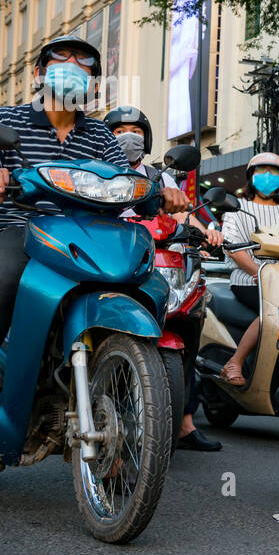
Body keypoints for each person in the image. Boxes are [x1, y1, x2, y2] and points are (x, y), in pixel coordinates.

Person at [0, 36, 190, 441]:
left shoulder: (99, 135)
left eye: (85, 64)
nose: (73, 67)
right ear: (40, 73)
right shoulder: (10, 118)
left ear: (93, 81)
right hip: (17, 226)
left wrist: (161, 194)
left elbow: (129, 181)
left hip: (83, 233)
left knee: (140, 281)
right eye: (63, 59)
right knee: (4, 278)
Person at [104, 106, 225, 452]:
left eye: (136, 131)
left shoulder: (161, 178)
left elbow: (184, 211)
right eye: (119, 131)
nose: (128, 137)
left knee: (189, 323)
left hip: (159, 265)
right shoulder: (96, 173)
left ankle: (185, 423)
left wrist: (207, 233)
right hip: (112, 265)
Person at [218, 152, 279, 389]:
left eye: (274, 172)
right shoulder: (237, 207)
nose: (267, 176)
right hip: (247, 278)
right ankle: (234, 362)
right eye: (261, 171)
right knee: (275, 311)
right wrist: (262, 272)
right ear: (251, 176)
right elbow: (234, 248)